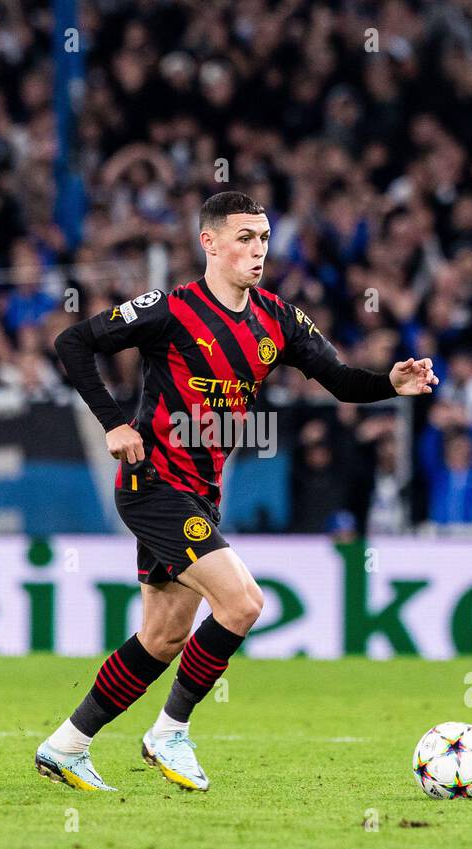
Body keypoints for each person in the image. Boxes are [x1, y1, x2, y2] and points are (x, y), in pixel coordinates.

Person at [37, 191, 437, 791]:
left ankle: (66, 745)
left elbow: (340, 381)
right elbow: (74, 344)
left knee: (164, 636)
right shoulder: (169, 309)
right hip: (154, 484)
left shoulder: (277, 318)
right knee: (244, 602)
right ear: (210, 242)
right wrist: (115, 424)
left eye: (264, 238)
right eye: (245, 237)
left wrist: (390, 383)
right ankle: (169, 732)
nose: (257, 250)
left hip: (200, 493)